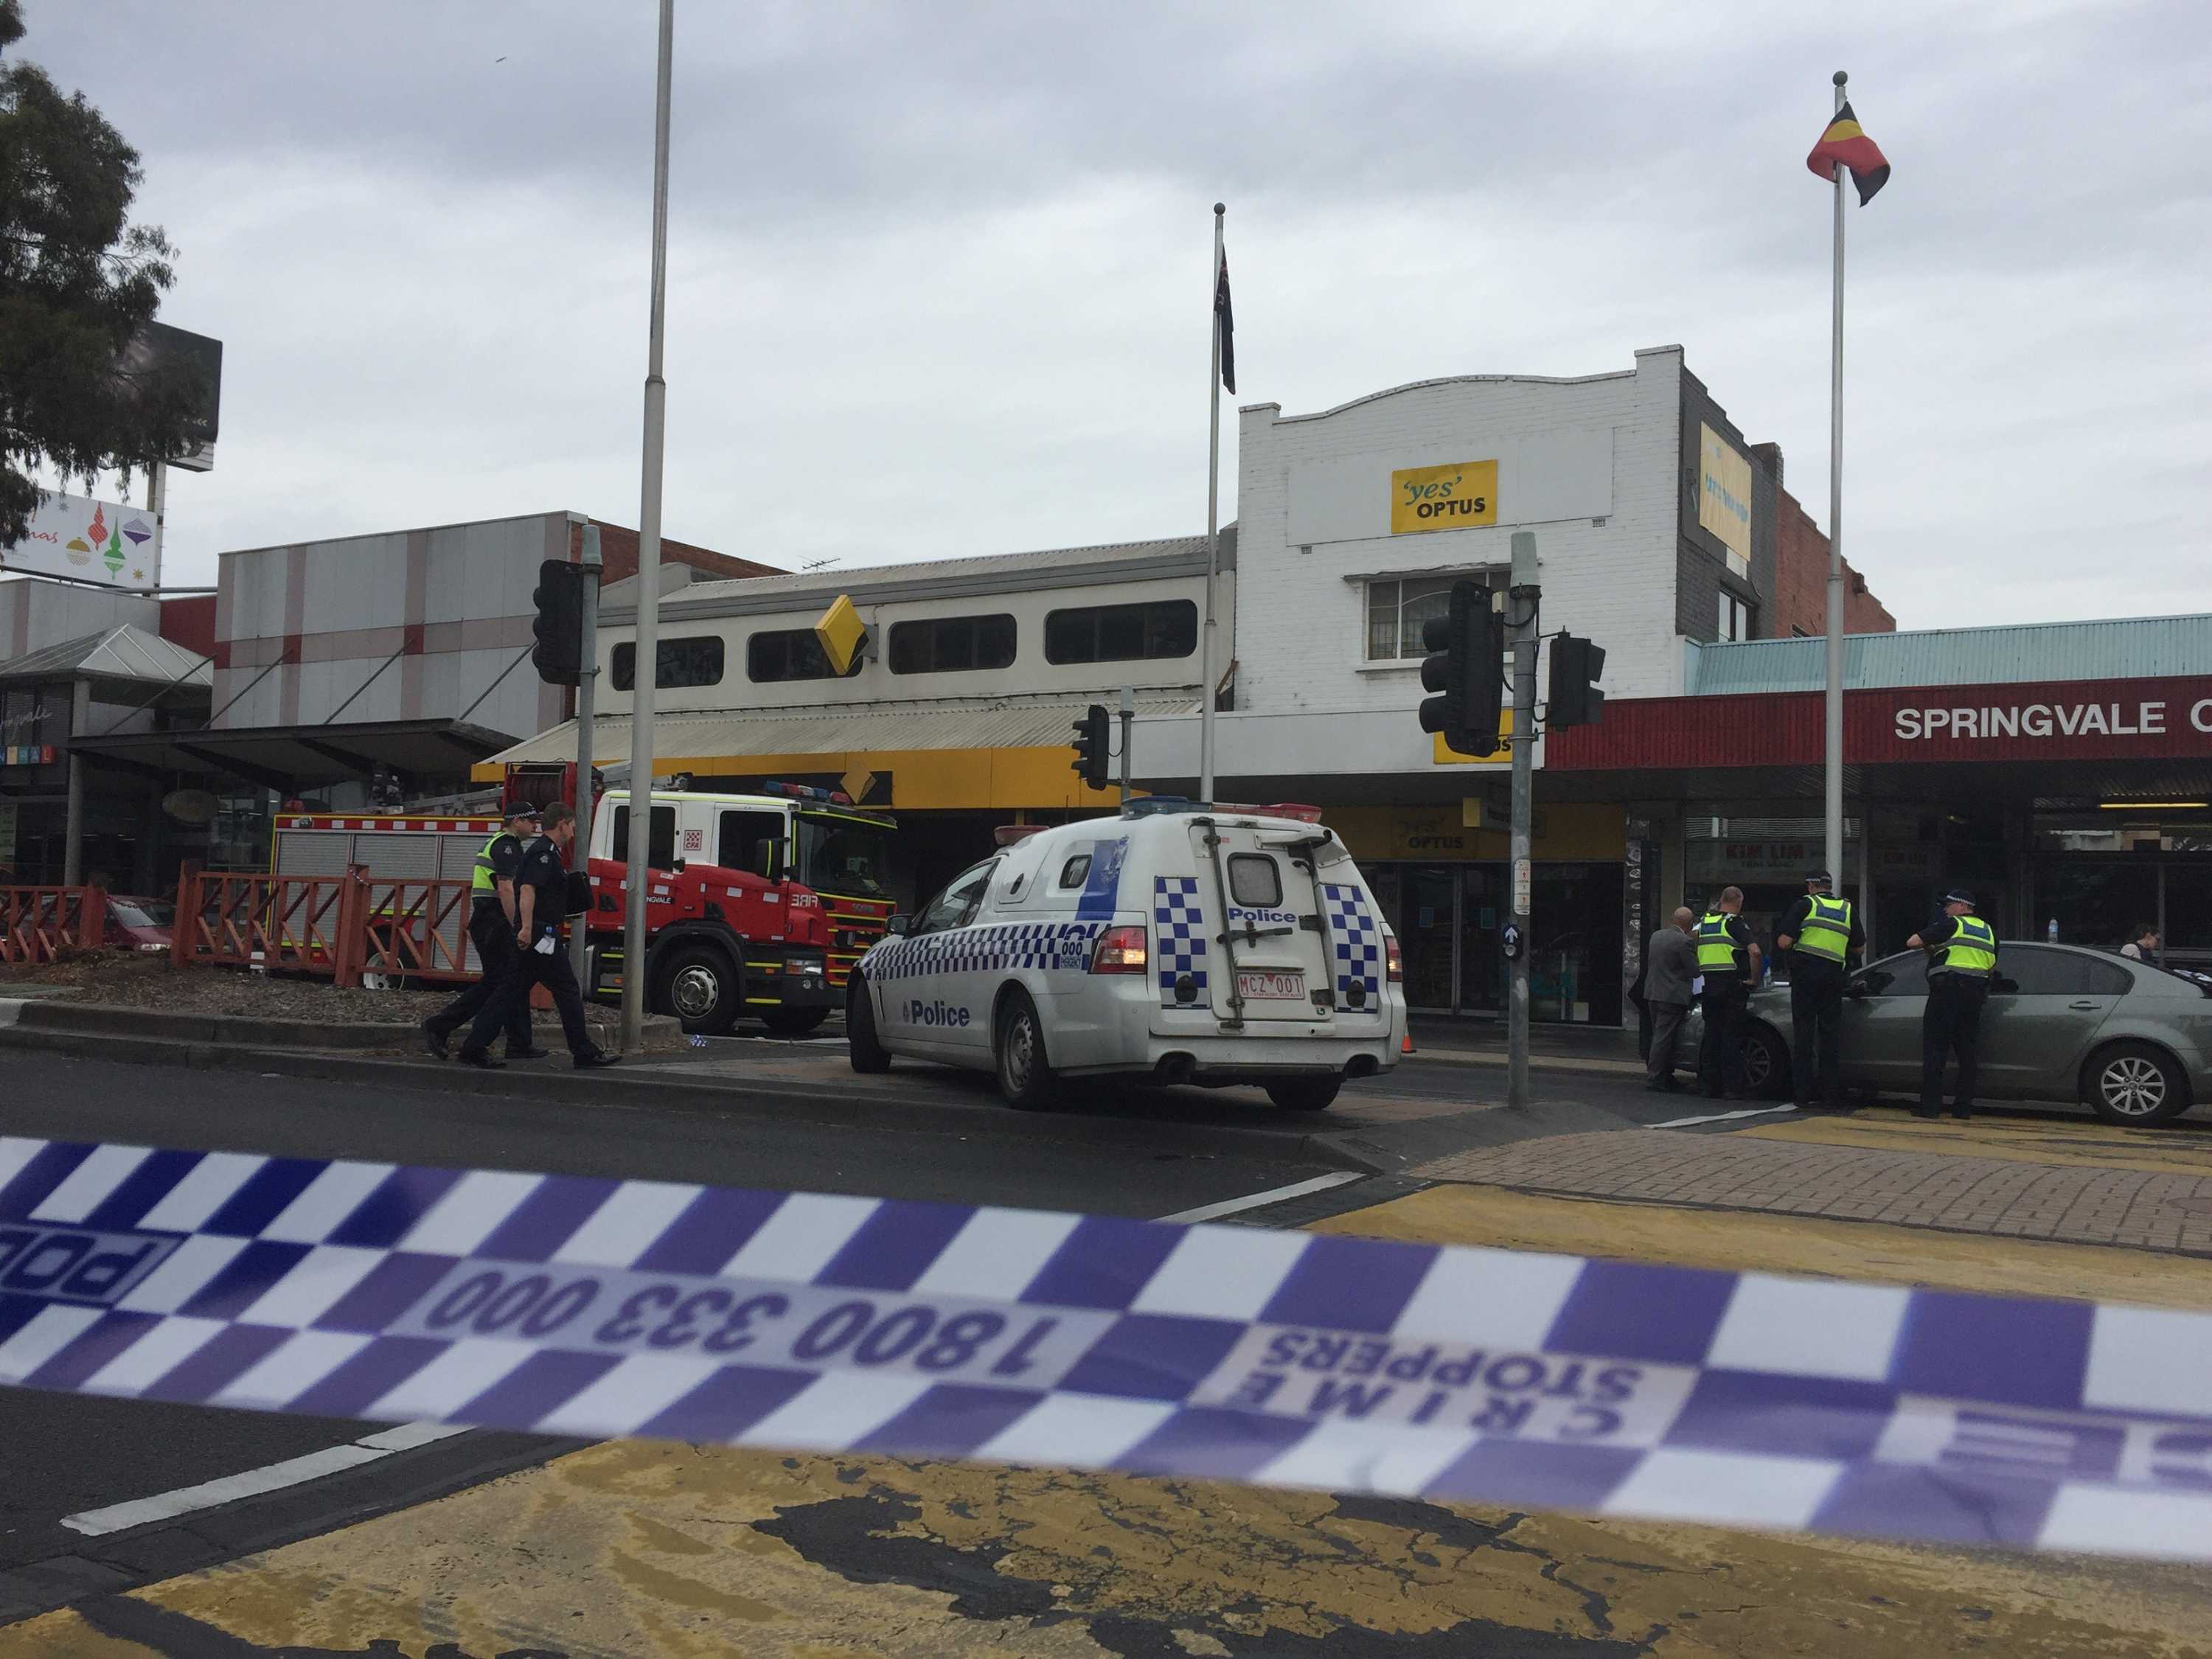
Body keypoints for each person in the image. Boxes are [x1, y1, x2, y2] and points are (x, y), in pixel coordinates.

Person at [471, 799, 618, 1071]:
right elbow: (527, 890)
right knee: (567, 989)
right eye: (572, 826)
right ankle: (583, 1051)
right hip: (540, 935)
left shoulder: (547, 852)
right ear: (561, 825)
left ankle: (474, 1046)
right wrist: (526, 928)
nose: (574, 831)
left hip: (539, 933)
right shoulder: (544, 854)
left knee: (509, 991)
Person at [423, 804, 546, 1062]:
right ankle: (440, 1026)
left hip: (490, 921)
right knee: (501, 982)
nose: (535, 825)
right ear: (516, 821)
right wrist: (518, 923)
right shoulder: (507, 845)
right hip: (494, 922)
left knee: (513, 980)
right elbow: (505, 888)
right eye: (531, 821)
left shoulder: (502, 843)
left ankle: (519, 1041)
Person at [1775, 870, 1865, 1113]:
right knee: (1830, 1036)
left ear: (1812, 885)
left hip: (1806, 977)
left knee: (1803, 1035)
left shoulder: (1805, 905)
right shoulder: (1848, 910)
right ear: (1829, 886)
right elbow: (1860, 948)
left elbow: (1784, 942)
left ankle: (1802, 1095)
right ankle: (1830, 1096)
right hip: (1834, 978)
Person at [1907, 889, 1999, 1121]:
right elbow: (1989, 966)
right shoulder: (1989, 932)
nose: (1945, 910)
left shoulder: (1952, 925)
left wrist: (1931, 949)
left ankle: (1930, 1108)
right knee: (1967, 1053)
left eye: (1948, 905)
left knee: (1936, 1049)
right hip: (1975, 996)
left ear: (1961, 906)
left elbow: (1912, 942)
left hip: (1947, 993)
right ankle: (1963, 1109)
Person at [1694, 886, 1761, 1098]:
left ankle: (1708, 1085)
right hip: (1732, 985)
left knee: (1711, 1034)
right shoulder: (1734, 923)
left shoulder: (1705, 923)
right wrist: (1754, 979)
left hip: (1709, 985)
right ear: (1739, 902)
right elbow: (1755, 951)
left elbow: (1690, 942)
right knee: (1731, 1035)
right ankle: (1732, 1087)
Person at [1643, 908, 1699, 1091]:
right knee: (1664, 1038)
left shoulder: (1656, 937)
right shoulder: (1684, 942)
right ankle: (1657, 1077)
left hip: (1653, 993)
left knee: (1658, 1036)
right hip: (1672, 996)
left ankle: (1662, 1075)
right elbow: (1694, 971)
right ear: (1689, 924)